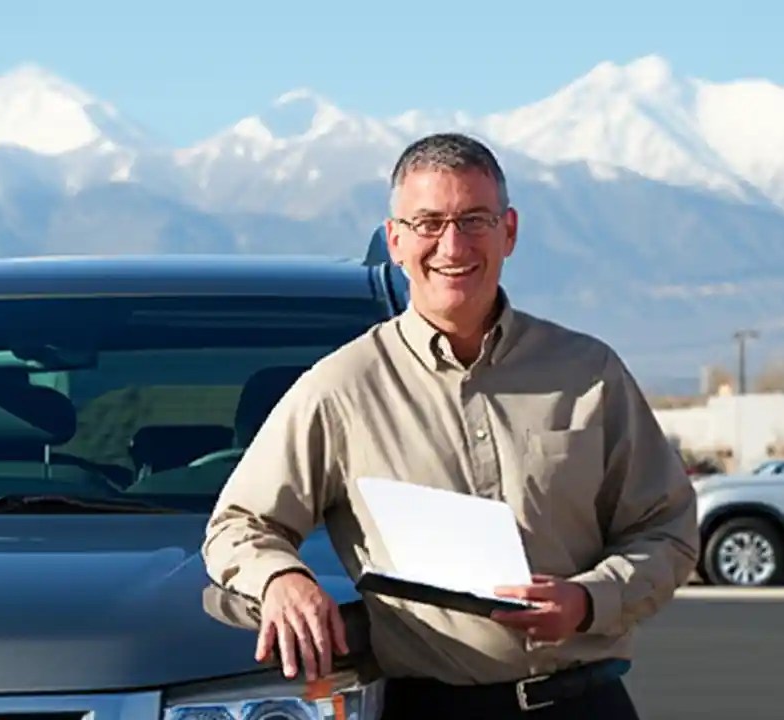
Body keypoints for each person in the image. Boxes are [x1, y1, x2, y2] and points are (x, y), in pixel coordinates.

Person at [201, 132, 699, 718]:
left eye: (474, 219)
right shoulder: (341, 388)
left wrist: (590, 600)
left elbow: (665, 528)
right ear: (396, 240)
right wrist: (283, 579)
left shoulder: (589, 372)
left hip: (584, 701)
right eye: (428, 222)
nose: (452, 244)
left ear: (509, 231)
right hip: (426, 706)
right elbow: (237, 525)